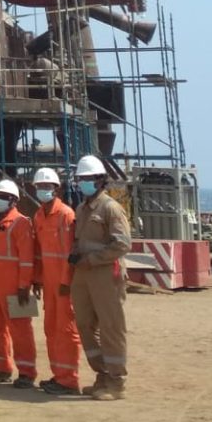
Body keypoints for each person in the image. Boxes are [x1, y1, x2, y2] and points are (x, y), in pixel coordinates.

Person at [70, 153, 131, 400]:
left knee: (111, 327)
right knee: (84, 325)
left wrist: (92, 259)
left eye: (87, 179)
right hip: (83, 275)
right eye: (79, 179)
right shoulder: (82, 209)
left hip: (106, 274)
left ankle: (117, 382)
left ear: (99, 180)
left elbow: (122, 244)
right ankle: (102, 374)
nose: (82, 183)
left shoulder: (110, 208)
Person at [0, 179, 36, 387]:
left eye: (4, 197)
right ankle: (1, 369)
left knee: (21, 329)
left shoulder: (21, 223)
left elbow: (27, 259)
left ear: (14, 200)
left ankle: (27, 372)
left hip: (15, 287)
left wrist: (24, 286)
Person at [31, 166, 82, 396]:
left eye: (47, 186)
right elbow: (40, 252)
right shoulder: (39, 216)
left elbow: (72, 253)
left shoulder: (66, 215)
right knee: (51, 328)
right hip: (49, 283)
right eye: (40, 187)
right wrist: (38, 279)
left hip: (64, 284)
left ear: (56, 189)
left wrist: (66, 281)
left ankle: (69, 380)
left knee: (67, 330)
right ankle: (58, 375)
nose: (43, 190)